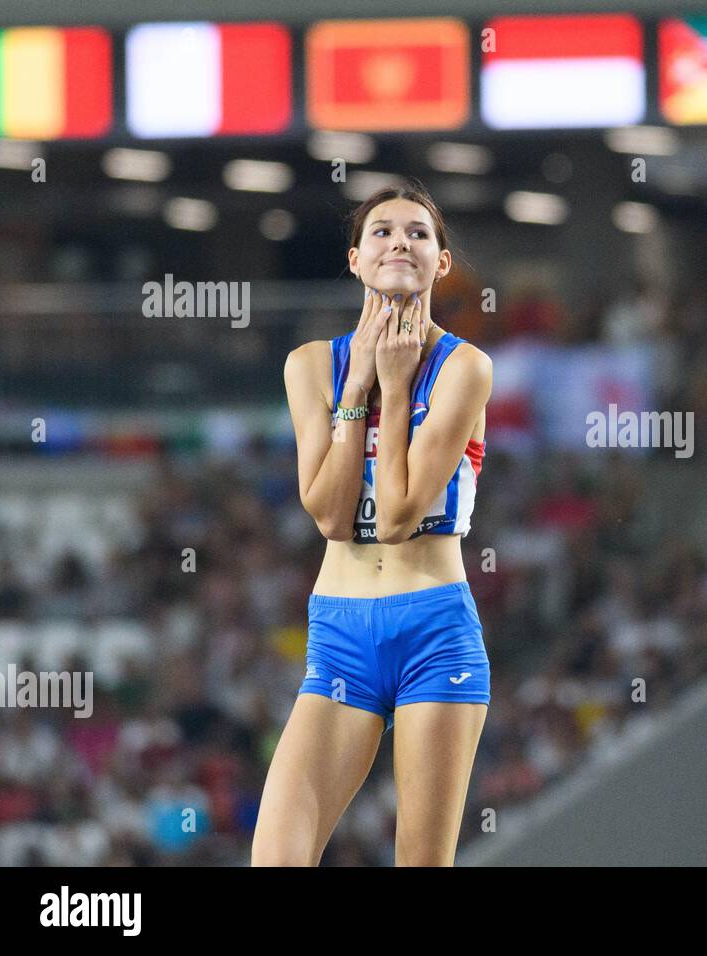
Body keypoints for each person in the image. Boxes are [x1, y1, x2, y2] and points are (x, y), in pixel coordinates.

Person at [252, 181, 493, 866]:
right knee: (276, 856)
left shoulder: (465, 368)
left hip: (434, 633)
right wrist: (356, 385)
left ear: (441, 263)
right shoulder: (311, 366)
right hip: (340, 634)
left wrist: (391, 385)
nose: (400, 243)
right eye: (382, 232)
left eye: (419, 233)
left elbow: (396, 518)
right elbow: (331, 514)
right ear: (356, 259)